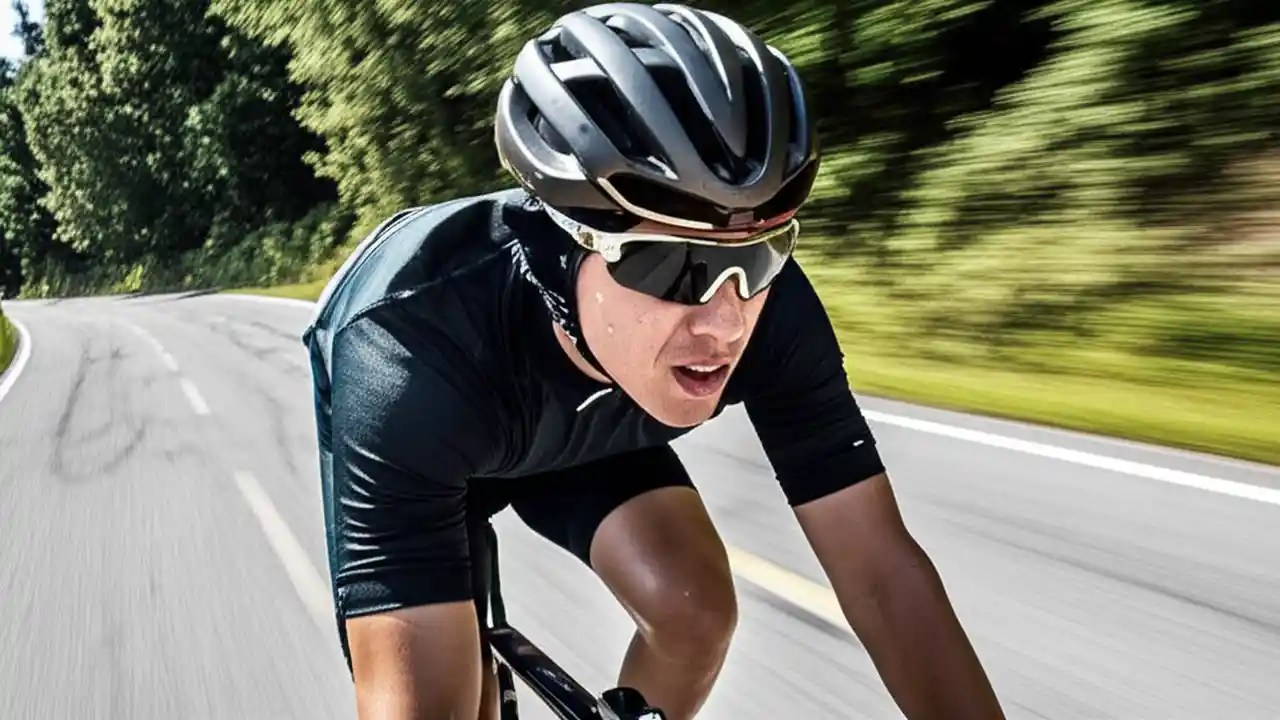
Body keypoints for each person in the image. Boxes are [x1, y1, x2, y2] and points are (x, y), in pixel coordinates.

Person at [302, 4, 1005, 719]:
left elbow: (881, 575)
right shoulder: (406, 358)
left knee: (694, 611)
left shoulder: (769, 312)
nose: (726, 321)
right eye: (671, 267)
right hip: (451, 410)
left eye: (762, 255)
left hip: (585, 397)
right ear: (557, 246)